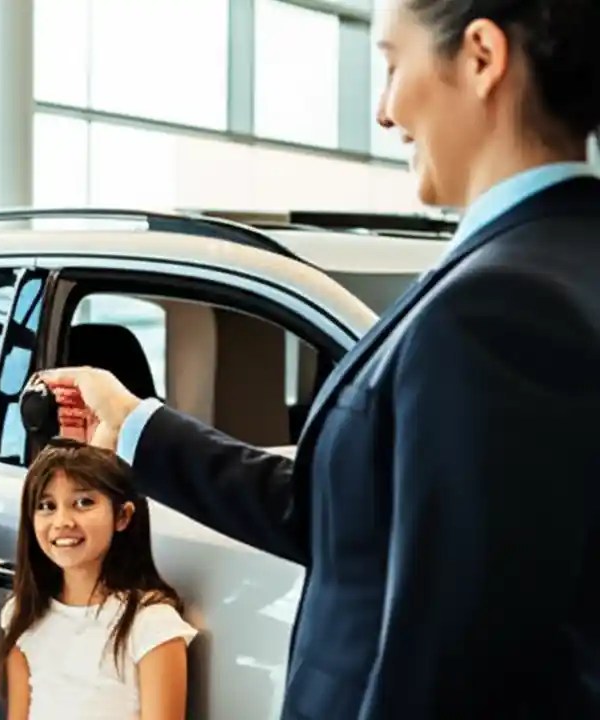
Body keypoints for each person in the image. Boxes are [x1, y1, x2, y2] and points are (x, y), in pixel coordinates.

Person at [40, 1, 600, 717]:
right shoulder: (554, 270)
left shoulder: (498, 307)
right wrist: (136, 426)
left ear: (482, 58)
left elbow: (457, 666)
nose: (384, 113)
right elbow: (348, 513)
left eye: (394, 65)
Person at [0, 438, 196, 720]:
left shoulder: (151, 623)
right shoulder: (22, 613)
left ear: (123, 516)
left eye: (83, 502)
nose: (62, 521)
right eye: (47, 505)